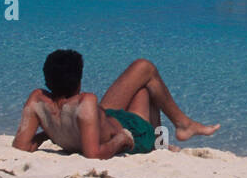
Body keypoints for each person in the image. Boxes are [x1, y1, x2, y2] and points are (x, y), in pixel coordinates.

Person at [12, 50, 219, 159]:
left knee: (142, 73)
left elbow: (21, 146)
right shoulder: (86, 101)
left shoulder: (37, 100)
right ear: (79, 81)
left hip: (96, 119)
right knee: (145, 78)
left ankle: (180, 127)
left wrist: (50, 131)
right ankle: (169, 136)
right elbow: (94, 154)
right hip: (132, 133)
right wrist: (121, 140)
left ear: (47, 80)